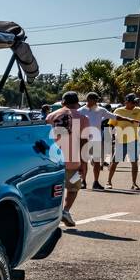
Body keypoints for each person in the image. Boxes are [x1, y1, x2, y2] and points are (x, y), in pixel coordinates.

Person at [46, 91, 90, 227]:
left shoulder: (51, 116)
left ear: (62, 102)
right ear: (76, 103)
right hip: (74, 160)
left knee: (52, 188)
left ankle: (52, 213)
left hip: (52, 160)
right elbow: (84, 142)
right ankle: (65, 210)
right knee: (73, 187)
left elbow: (45, 138)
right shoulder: (83, 118)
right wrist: (84, 163)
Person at [78, 92, 111, 189]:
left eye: (97, 100)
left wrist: (128, 119)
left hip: (96, 139)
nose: (97, 101)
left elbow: (113, 116)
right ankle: (83, 181)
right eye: (95, 99)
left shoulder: (100, 110)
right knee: (83, 161)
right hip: (84, 139)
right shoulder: (80, 111)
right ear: (89, 100)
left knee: (97, 161)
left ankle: (95, 182)